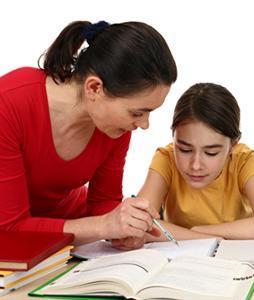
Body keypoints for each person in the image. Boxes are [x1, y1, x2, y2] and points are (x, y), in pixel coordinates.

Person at [0, 20, 177, 249]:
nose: (144, 124)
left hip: (69, 232)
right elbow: (8, 229)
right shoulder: (10, 104)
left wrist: (126, 227)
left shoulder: (114, 127)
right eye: (137, 112)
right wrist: (105, 226)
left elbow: (103, 202)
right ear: (94, 88)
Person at [137, 82, 254, 241]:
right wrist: (200, 236)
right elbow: (138, 224)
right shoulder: (166, 158)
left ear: (232, 145)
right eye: (185, 150)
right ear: (173, 137)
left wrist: (198, 231)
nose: (195, 165)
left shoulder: (243, 160)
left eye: (211, 153)